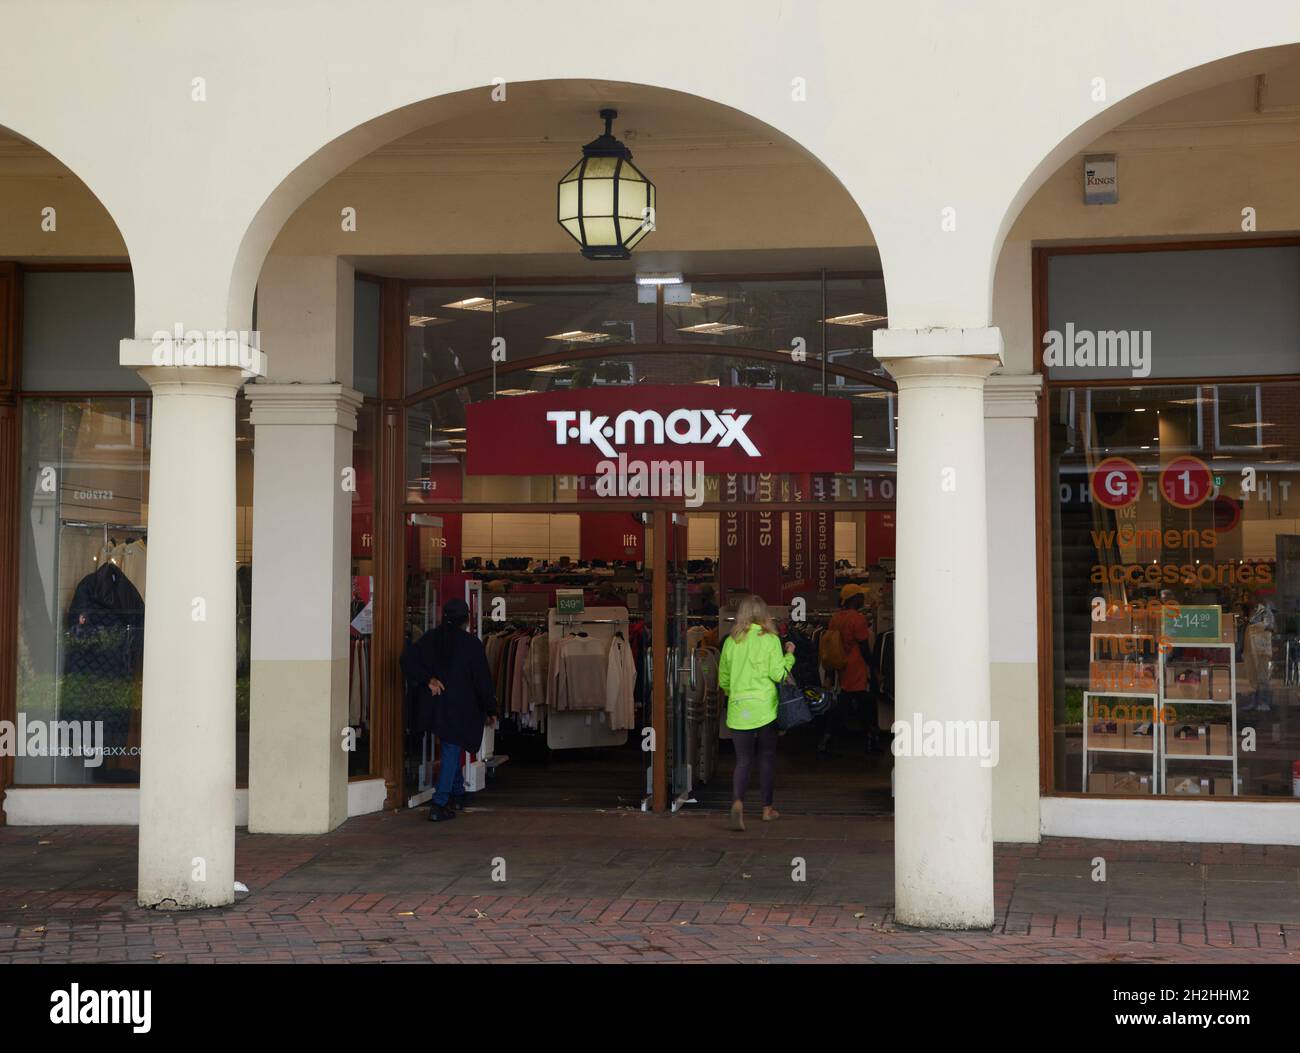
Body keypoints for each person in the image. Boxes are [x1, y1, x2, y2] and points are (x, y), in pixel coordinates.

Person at [400, 598, 497, 822]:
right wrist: (491, 708)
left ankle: (458, 793)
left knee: (450, 747)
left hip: (435, 706)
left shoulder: (431, 639)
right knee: (452, 749)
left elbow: (406, 659)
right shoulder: (471, 644)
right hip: (461, 707)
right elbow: (482, 680)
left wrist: (429, 680)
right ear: (466, 619)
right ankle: (440, 802)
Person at [718, 594, 795, 831]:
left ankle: (738, 802)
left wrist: (736, 694)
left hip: (739, 707)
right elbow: (779, 674)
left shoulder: (731, 641)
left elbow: (723, 678)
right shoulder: (770, 639)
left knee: (742, 760)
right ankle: (766, 809)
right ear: (764, 614)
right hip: (765, 708)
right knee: (766, 758)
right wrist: (790, 654)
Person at [829, 583, 879, 753]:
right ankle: (871, 742)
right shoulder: (858, 619)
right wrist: (873, 667)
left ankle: (828, 741)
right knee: (865, 706)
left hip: (841, 666)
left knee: (842, 704)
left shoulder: (835, 618)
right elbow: (864, 647)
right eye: (861, 596)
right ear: (854, 599)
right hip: (857, 668)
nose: (863, 599)